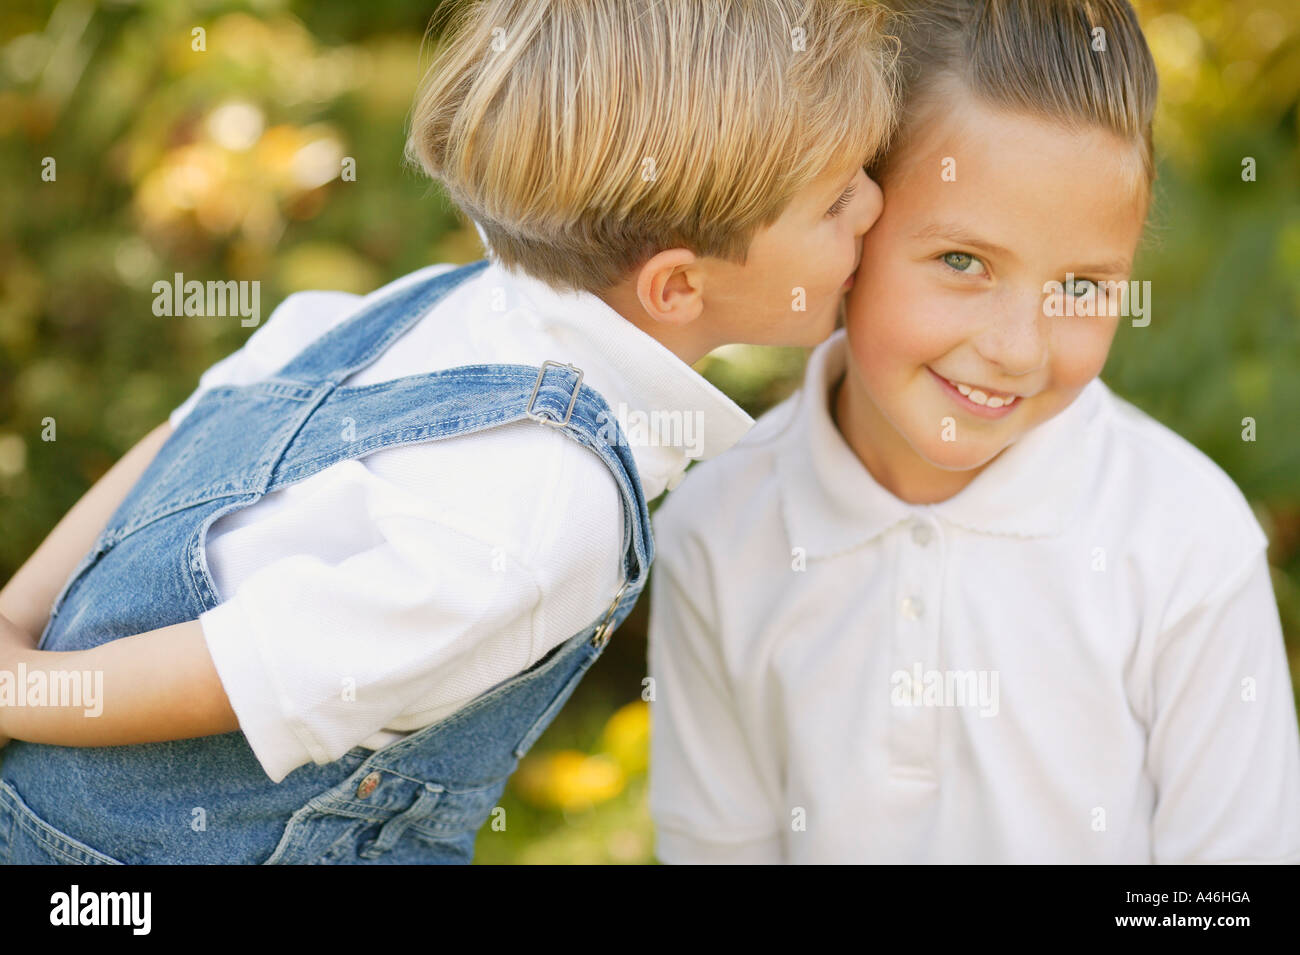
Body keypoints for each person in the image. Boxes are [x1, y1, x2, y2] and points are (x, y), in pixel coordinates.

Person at [0, 0, 896, 864]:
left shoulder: (442, 305)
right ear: (675, 288)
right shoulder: (552, 503)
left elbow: (186, 436)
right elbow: (250, 672)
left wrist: (17, 613)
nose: (874, 207)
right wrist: (23, 686)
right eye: (836, 200)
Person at [647, 0, 1300, 863]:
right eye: (964, 262)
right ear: (851, 232)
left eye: (1080, 285)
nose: (1017, 349)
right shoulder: (719, 527)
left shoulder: (1185, 538)